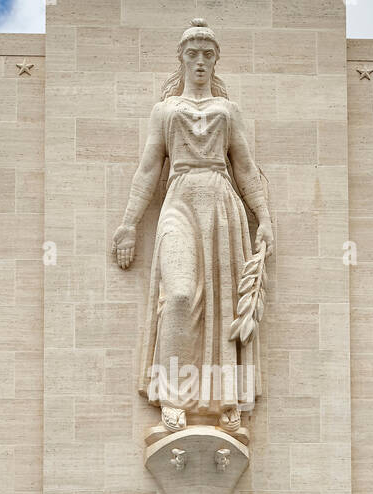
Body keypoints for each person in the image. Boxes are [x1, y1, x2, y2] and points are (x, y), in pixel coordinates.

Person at [113, 18, 273, 434]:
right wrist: (129, 224)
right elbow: (149, 168)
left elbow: (246, 168)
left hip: (221, 203)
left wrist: (266, 219)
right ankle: (171, 395)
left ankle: (224, 402)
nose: (200, 61)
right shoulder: (164, 111)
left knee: (223, 305)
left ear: (215, 60)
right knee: (180, 295)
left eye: (207, 54)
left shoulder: (228, 111)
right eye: (192, 53)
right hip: (179, 199)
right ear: (181, 59)